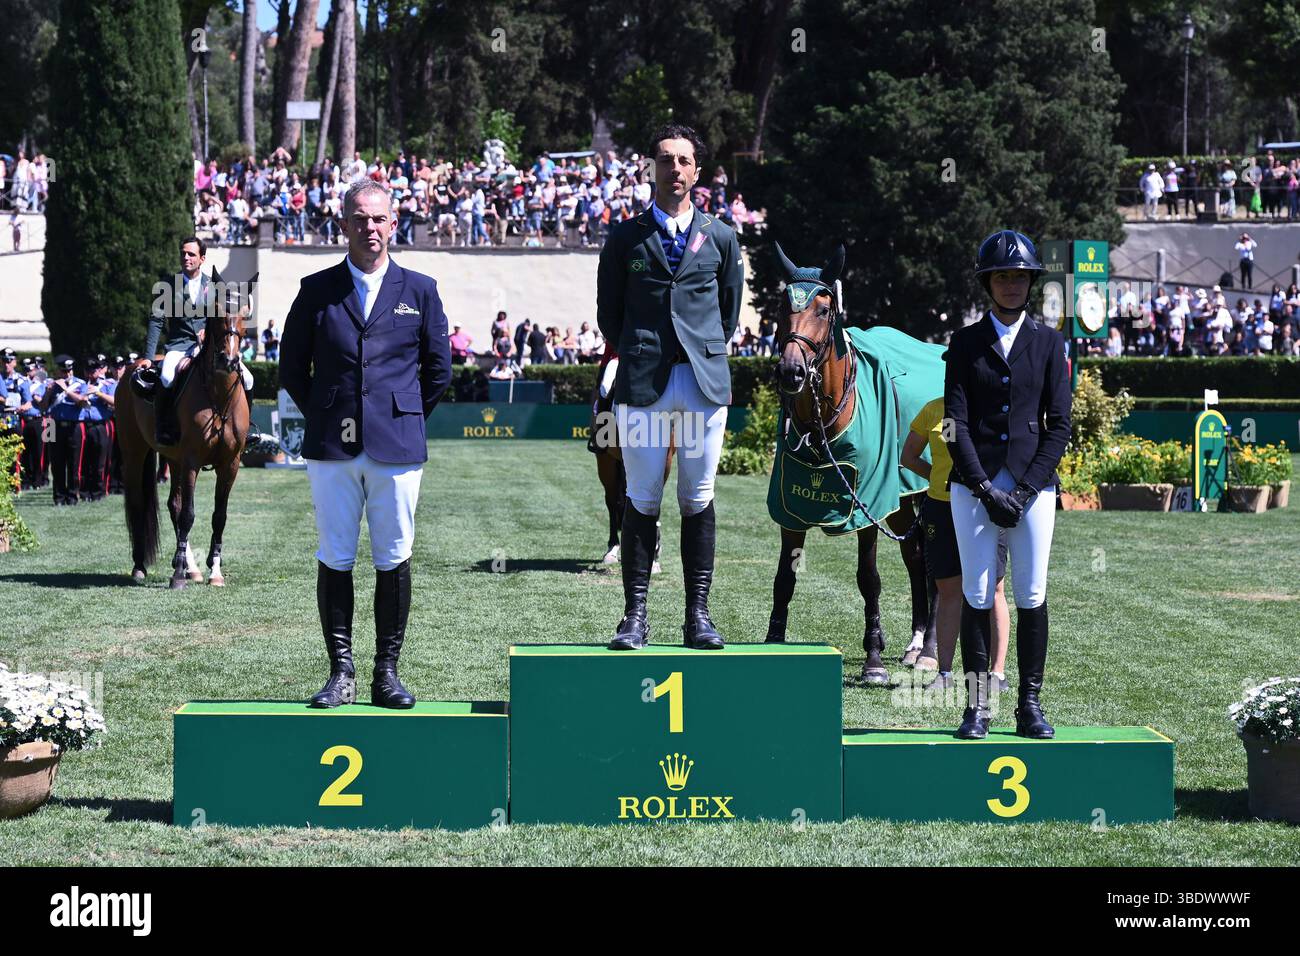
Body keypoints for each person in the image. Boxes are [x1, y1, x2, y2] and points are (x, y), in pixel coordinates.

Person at [280, 179, 453, 709]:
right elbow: (292, 369)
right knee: (335, 555)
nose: (369, 228)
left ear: (392, 224)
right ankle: (341, 673)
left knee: (393, 556)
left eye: (378, 219)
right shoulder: (315, 289)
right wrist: (330, 415)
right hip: (332, 447)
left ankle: (386, 673)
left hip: (396, 447)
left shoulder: (420, 289)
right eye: (359, 218)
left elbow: (438, 371)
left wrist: (398, 418)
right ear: (344, 225)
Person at [596, 122, 745, 651]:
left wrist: (698, 350)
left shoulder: (723, 236)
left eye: (684, 160)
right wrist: (641, 350)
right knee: (641, 497)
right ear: (651, 169)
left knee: (697, 497)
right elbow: (608, 314)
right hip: (644, 383)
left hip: (702, 382)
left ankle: (697, 617)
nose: (674, 169)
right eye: (665, 159)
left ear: (696, 172)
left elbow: (727, 314)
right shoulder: (624, 237)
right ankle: (634, 617)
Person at [943, 230, 1071, 740]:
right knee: (976, 591)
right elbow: (954, 422)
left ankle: (1029, 705)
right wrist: (982, 487)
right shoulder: (964, 342)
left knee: (1031, 592)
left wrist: (1023, 490)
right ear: (988, 284)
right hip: (972, 486)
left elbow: (1059, 424)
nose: (1012, 285)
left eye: (1020, 277)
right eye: (1003, 277)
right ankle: (976, 709)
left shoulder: (1048, 342)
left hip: (1033, 487)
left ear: (1030, 283)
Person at [901, 396, 1012, 695]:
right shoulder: (933, 409)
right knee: (949, 589)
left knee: (995, 587)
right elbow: (908, 456)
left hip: (985, 505)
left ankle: (997, 674)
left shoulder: (992, 408)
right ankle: (945, 672)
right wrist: (941, 480)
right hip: (941, 507)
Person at [142, 237, 253, 444]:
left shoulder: (214, 286)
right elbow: (156, 322)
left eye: (191, 254)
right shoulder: (166, 285)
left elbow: (220, 319)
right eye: (183, 253)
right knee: (166, 377)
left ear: (202, 258)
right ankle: (163, 427)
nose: (186, 257)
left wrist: (206, 331)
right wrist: (148, 357)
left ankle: (247, 428)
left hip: (206, 346)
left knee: (248, 378)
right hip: (178, 345)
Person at [42, 358, 89, 505]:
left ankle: (72, 496)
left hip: (74, 425)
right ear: (58, 371)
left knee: (74, 464)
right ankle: (59, 497)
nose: (66, 373)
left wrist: (67, 390)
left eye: (69, 370)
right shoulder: (52, 385)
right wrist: (48, 392)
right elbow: (43, 406)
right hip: (52, 425)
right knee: (56, 463)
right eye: (63, 371)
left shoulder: (80, 384)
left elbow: (82, 402)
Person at [80, 355, 115, 501]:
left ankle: (98, 492)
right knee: (84, 461)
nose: (91, 373)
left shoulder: (107, 384)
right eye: (88, 370)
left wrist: (98, 393)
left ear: (99, 370)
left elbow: (115, 401)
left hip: (100, 425)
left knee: (100, 461)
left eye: (94, 370)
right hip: (83, 425)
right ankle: (84, 492)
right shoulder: (80, 384)